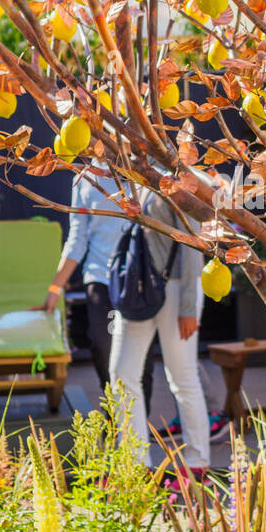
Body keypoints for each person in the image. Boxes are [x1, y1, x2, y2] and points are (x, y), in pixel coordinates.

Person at [108, 189, 210, 473]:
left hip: (176, 289)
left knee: (182, 375)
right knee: (122, 374)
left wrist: (189, 307)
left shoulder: (174, 182)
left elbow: (193, 245)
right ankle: (136, 464)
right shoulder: (128, 180)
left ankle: (197, 463)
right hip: (140, 289)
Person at [43, 168, 158, 412]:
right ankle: (114, 415)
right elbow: (78, 238)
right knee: (102, 347)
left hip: (139, 281)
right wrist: (56, 286)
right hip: (101, 279)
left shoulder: (145, 173)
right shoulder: (84, 179)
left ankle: (139, 427)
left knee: (142, 358)